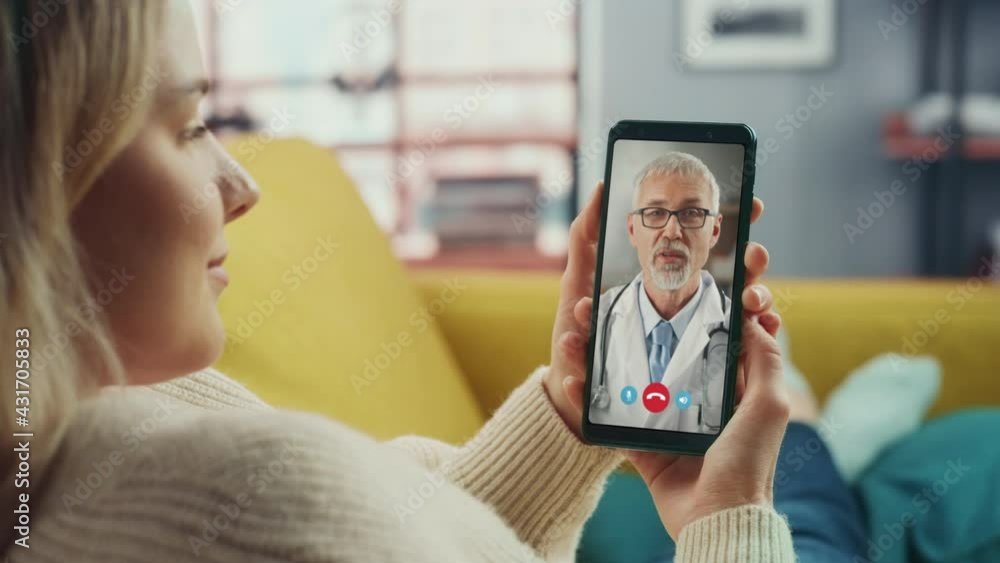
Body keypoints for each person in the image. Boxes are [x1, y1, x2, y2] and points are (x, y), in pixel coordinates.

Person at [0, 1, 796, 561]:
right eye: (190, 127)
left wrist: (569, 410)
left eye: (690, 218)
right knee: (815, 474)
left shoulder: (99, 413)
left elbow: (422, 538)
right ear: (30, 188)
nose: (245, 188)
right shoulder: (259, 503)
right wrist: (732, 515)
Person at [591, 152, 731, 433]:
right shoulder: (594, 318)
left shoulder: (738, 329)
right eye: (655, 213)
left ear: (715, 230)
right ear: (632, 229)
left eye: (691, 213)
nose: (672, 231)